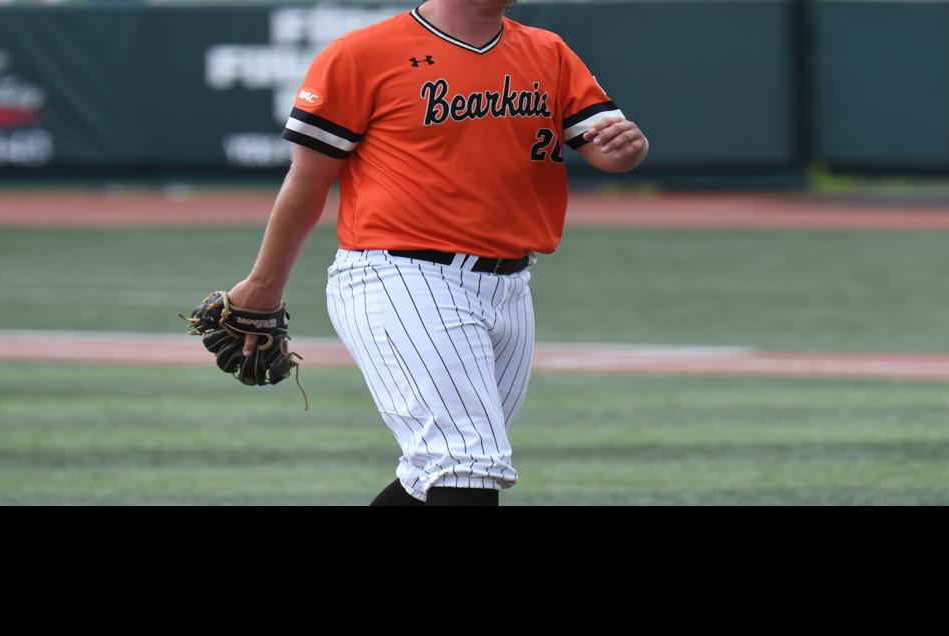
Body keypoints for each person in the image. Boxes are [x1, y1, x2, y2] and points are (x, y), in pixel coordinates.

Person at [228, 0, 648, 506]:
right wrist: (264, 285)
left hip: (511, 284)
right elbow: (308, 181)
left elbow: (606, 147)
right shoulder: (362, 54)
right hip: (400, 274)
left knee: (439, 471)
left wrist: (629, 149)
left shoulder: (548, 51)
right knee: (467, 465)